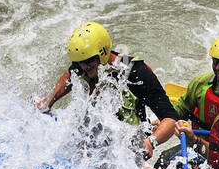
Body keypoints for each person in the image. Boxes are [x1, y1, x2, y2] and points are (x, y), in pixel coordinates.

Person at [38, 22, 178, 159]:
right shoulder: (84, 63)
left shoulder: (137, 73)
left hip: (126, 143)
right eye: (78, 63)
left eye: (87, 63)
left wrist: (150, 143)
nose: (83, 67)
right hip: (94, 136)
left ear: (103, 53)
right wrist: (48, 102)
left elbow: (171, 119)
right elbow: (69, 74)